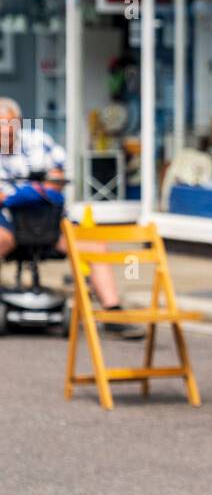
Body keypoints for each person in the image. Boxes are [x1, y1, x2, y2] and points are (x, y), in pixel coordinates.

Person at [0, 99, 143, 338]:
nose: (5, 130)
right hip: (9, 226)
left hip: (51, 223)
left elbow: (58, 175)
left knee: (96, 245)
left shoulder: (37, 141)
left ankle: (113, 313)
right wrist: (39, 189)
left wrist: (28, 192)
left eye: (8, 124)